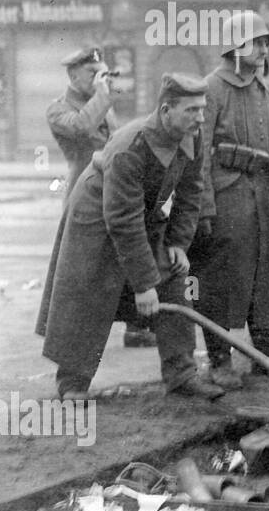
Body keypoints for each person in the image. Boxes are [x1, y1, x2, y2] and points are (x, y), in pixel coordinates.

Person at [39, 73, 223, 400]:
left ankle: (181, 374)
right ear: (166, 110)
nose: (201, 118)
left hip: (139, 214)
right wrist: (142, 284)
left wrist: (178, 243)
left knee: (173, 279)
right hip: (95, 215)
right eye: (192, 110)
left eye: (202, 109)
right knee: (89, 290)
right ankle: (72, 381)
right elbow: (122, 219)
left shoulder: (192, 134)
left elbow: (192, 190)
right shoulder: (131, 146)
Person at [189, 10, 269, 391]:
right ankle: (220, 361)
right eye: (257, 42)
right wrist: (204, 207)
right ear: (235, 46)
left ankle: (266, 354)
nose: (263, 49)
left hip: (266, 197)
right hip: (227, 199)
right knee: (221, 280)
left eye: (266, 42)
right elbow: (200, 155)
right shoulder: (211, 89)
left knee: (268, 276)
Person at [35, 47, 157, 348]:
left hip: (114, 190)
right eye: (93, 73)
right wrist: (102, 95)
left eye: (103, 72)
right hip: (83, 193)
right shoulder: (58, 108)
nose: (100, 78)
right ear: (73, 75)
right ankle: (69, 336)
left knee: (128, 252)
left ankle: (137, 327)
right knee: (82, 268)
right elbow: (80, 129)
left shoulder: (101, 104)